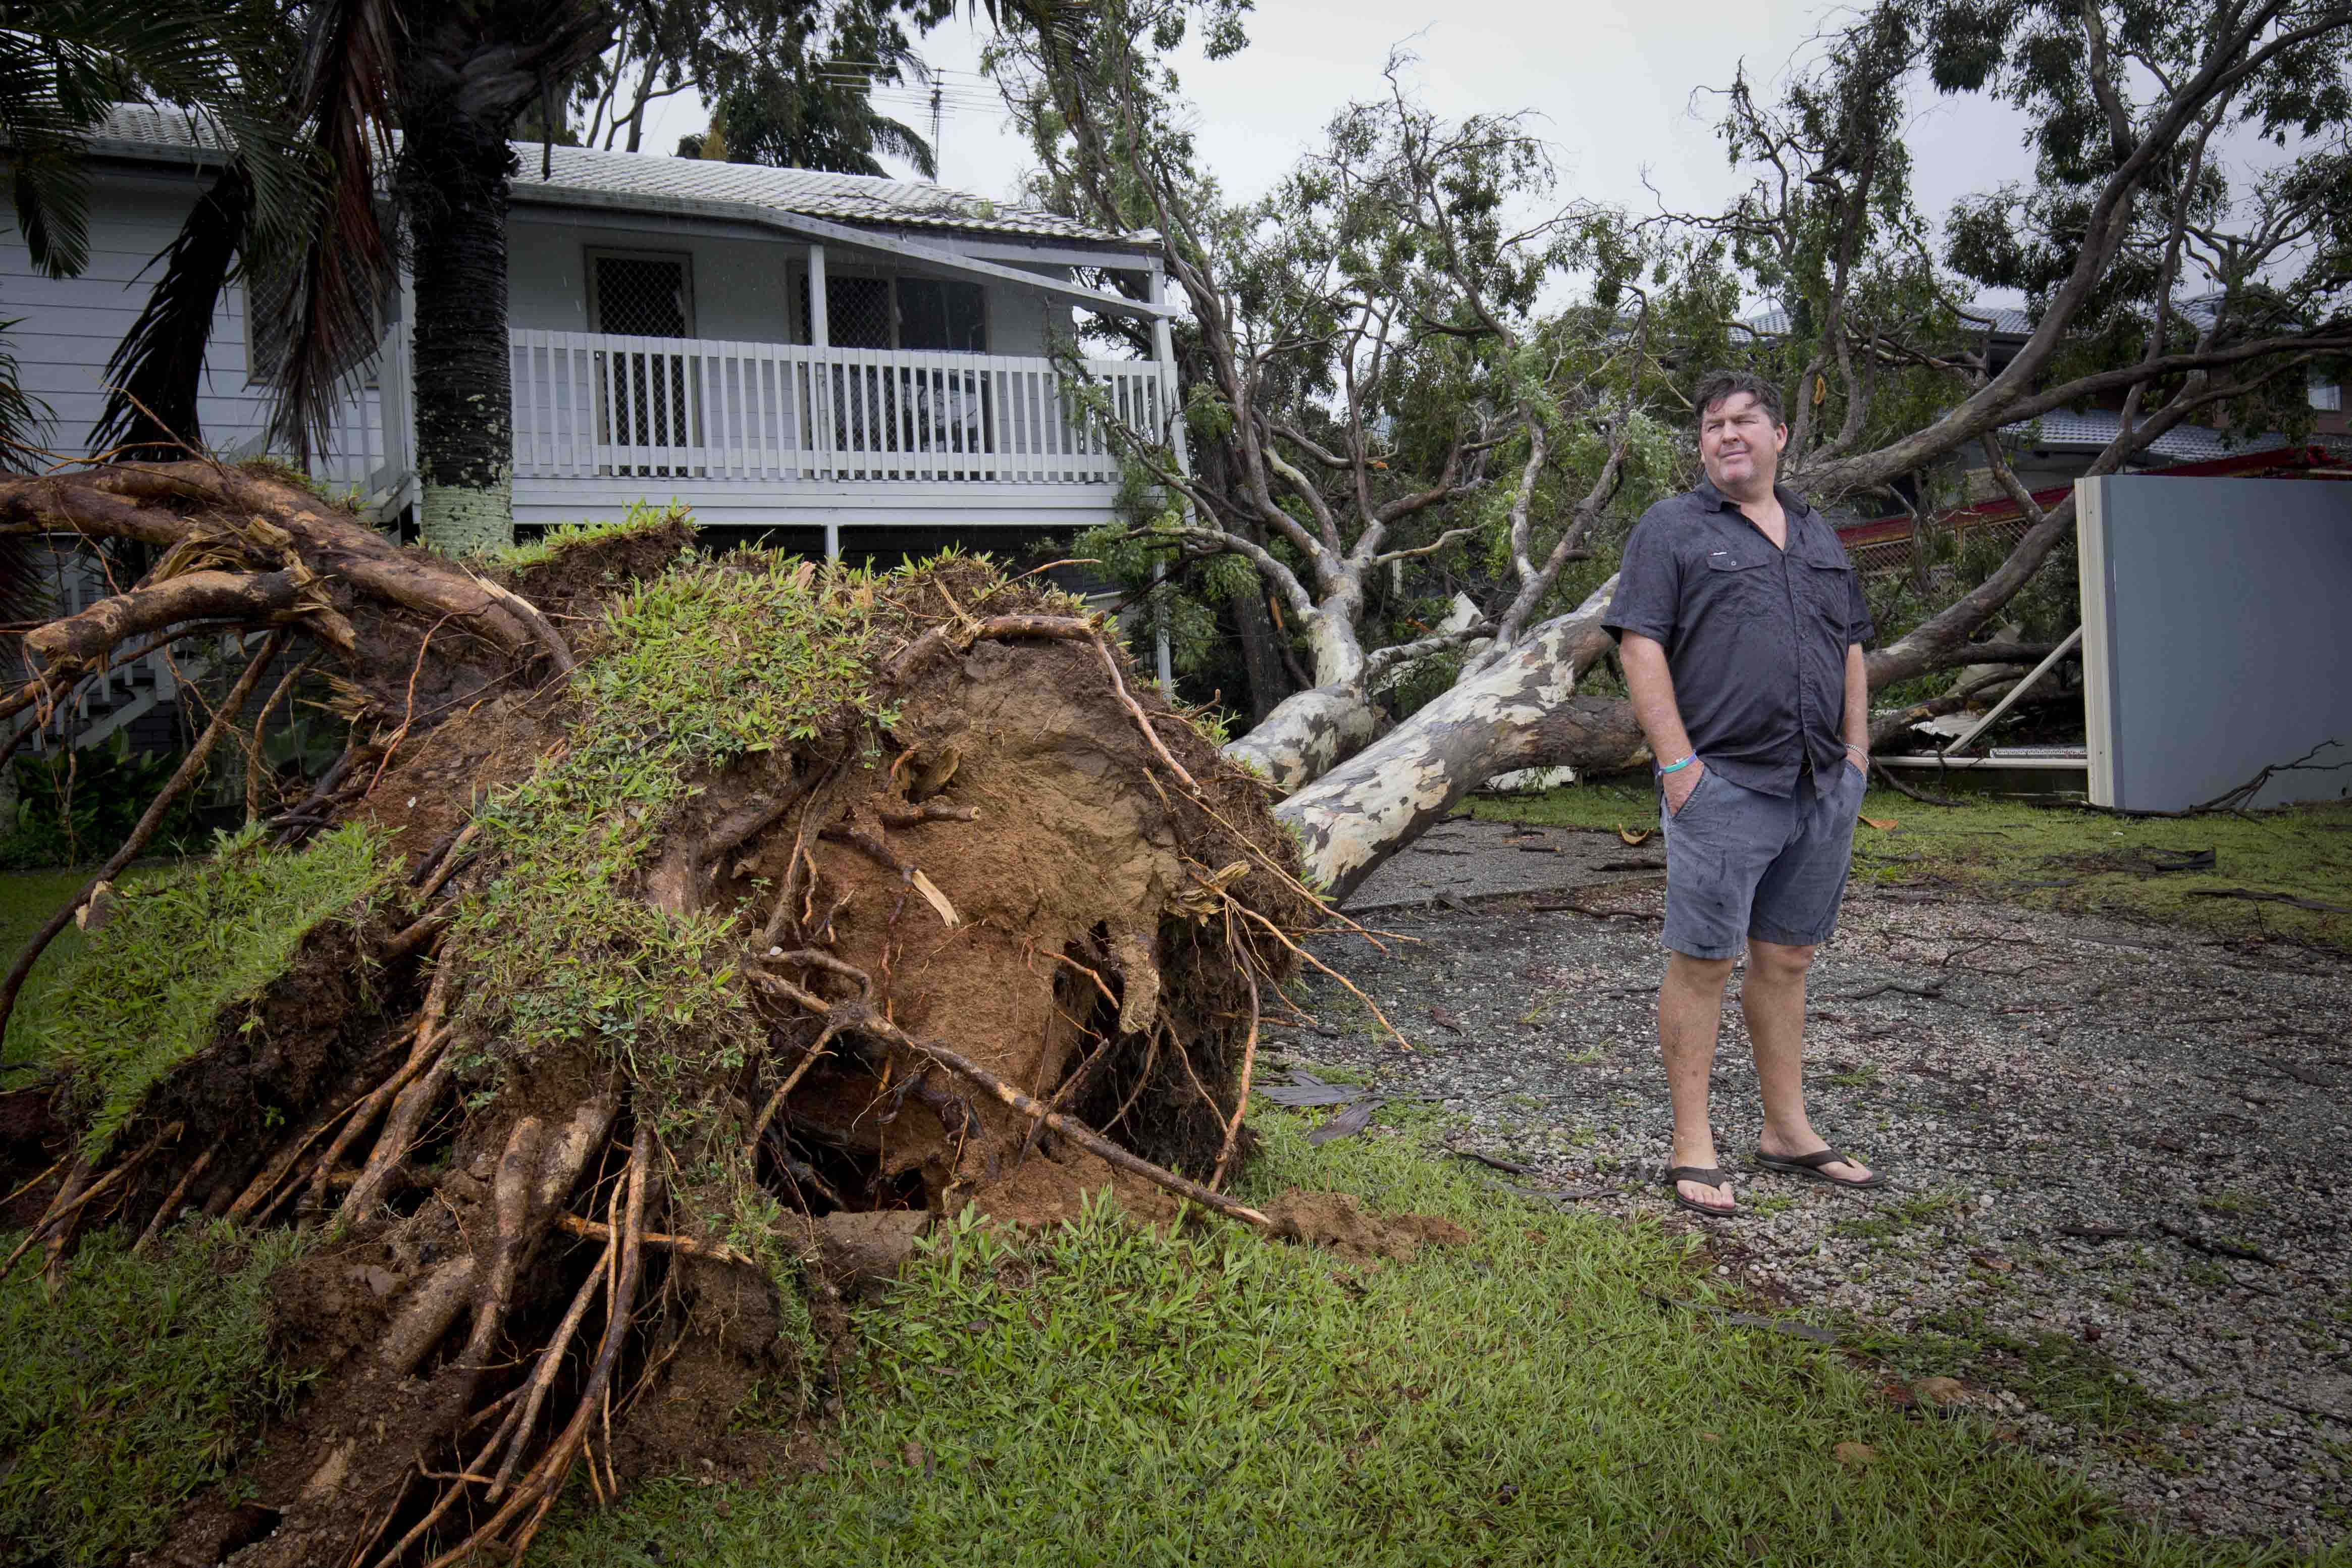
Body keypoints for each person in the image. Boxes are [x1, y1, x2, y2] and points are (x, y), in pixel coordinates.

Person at [1601, 369, 1887, 1218]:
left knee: (1788, 956)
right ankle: (1694, 1144)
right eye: (1713, 424)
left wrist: (1859, 753)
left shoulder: (1818, 534)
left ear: (1779, 436)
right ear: (1703, 445)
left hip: (1819, 783)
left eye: (1745, 420)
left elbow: (1854, 647)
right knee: (1703, 962)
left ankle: (1786, 1129)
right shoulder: (1672, 529)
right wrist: (1680, 768)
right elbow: (1639, 645)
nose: (1728, 434)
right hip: (1723, 784)